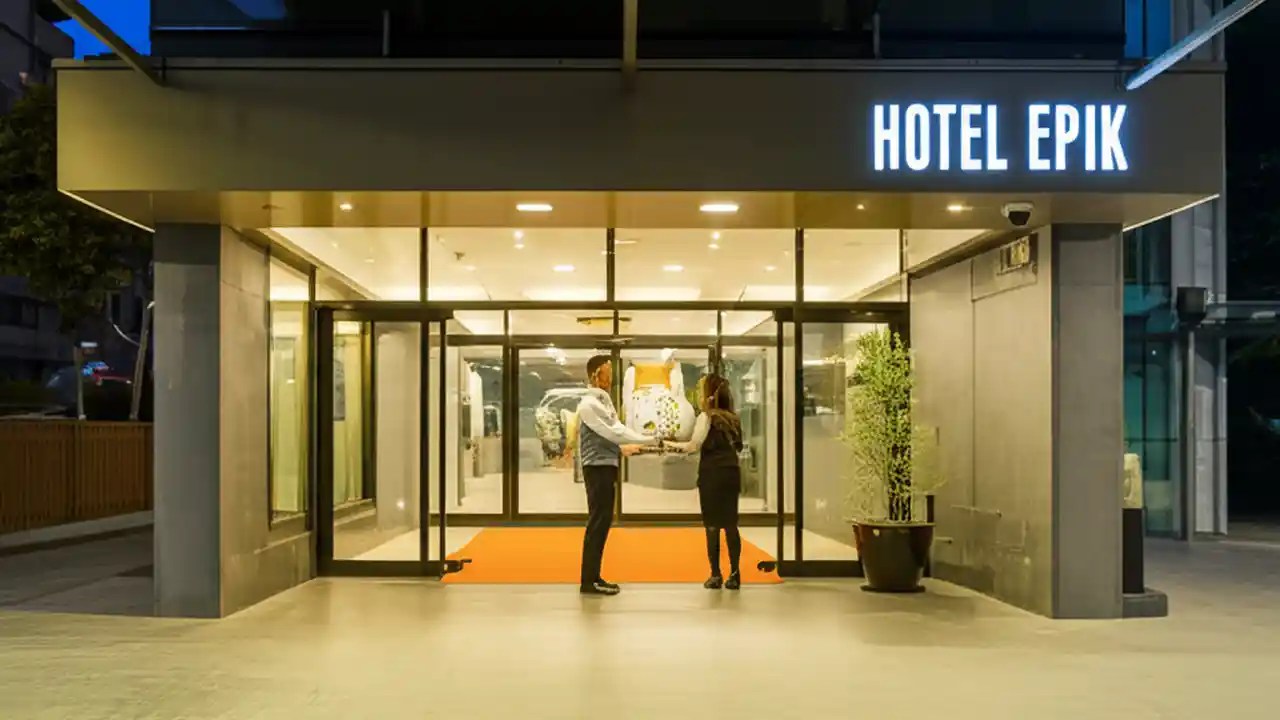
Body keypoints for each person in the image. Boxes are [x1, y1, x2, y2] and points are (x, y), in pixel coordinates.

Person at [576, 355, 656, 596]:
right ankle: (588, 582)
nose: (610, 378)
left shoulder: (602, 402)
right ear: (595, 374)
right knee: (598, 524)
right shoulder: (589, 405)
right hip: (597, 468)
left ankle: (594, 577)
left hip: (606, 464)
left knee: (601, 523)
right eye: (607, 372)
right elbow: (613, 431)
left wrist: (624, 448)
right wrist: (646, 439)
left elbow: (609, 435)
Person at [666, 375, 746, 590]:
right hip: (731, 473)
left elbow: (694, 446)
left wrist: (670, 444)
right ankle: (736, 574)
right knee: (730, 524)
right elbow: (738, 446)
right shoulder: (733, 418)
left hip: (712, 475)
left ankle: (716, 574)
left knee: (712, 525)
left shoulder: (706, 417)